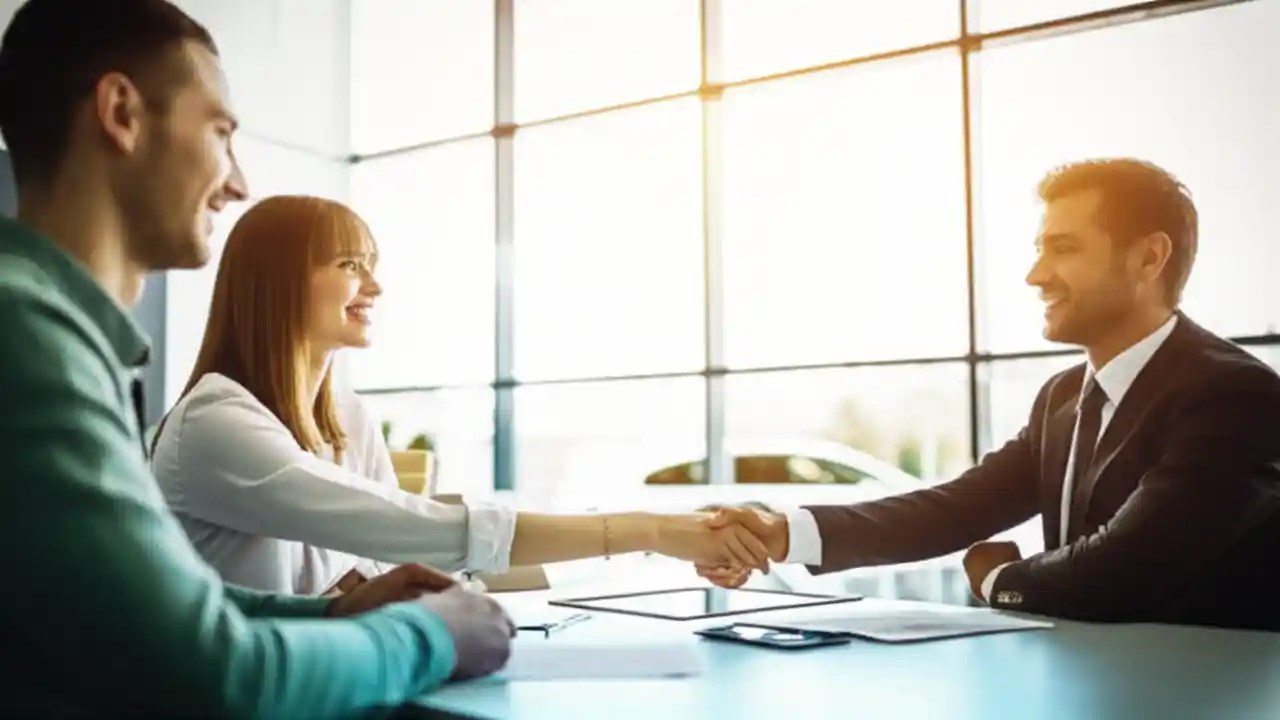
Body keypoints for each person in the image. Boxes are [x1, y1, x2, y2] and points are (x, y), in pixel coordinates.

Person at [0, 1, 515, 715]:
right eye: (220, 132)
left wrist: (333, 616)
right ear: (121, 112)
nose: (238, 182)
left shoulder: (51, 334)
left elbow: (157, 607)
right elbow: (218, 677)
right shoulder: (25, 334)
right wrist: (427, 635)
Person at [699, 159, 1280, 631]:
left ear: (1150, 258)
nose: (1036, 275)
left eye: (1064, 248)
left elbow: (1129, 570)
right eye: (1040, 249)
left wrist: (999, 581)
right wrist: (780, 532)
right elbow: (957, 508)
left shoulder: (1235, 395)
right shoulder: (1063, 397)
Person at [150, 194, 771, 595]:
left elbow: (368, 572)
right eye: (349, 265)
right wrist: (653, 532)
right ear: (279, 283)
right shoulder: (215, 426)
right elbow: (408, 530)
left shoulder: (346, 417)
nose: (375, 286)